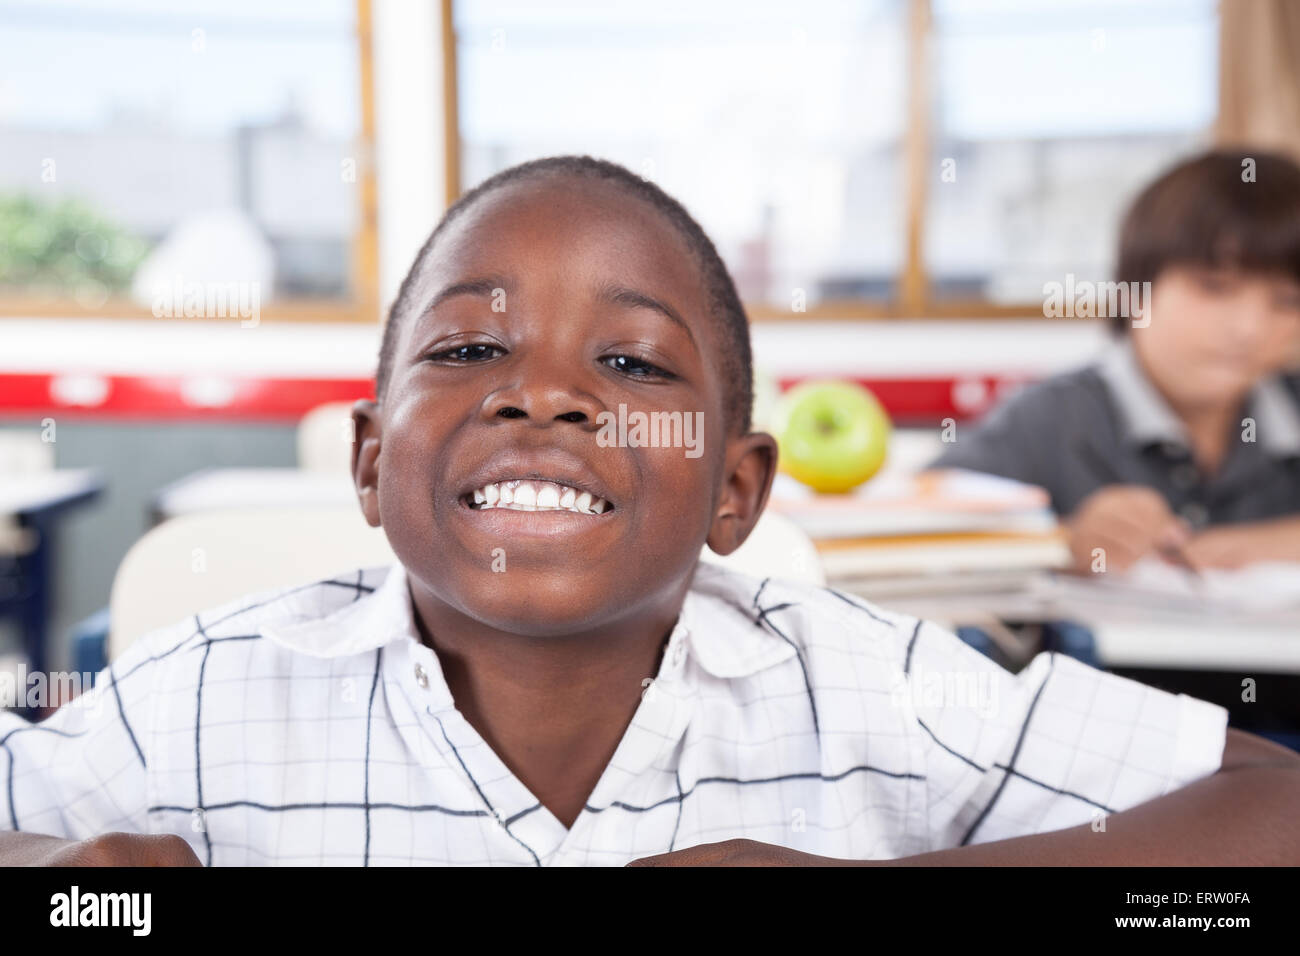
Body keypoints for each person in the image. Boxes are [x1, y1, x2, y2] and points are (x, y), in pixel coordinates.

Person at [3, 157, 1298, 867]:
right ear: (367, 459)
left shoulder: (877, 691)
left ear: (735, 491)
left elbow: (1271, 809)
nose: (547, 397)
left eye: (630, 365)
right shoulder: (209, 705)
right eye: (466, 352)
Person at [928, 149, 1300, 575]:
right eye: (1214, 287)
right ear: (1136, 288)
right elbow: (906, 539)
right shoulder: (1044, 420)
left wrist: (1259, 546)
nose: (1249, 328)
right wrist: (1063, 541)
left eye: (1287, 300)